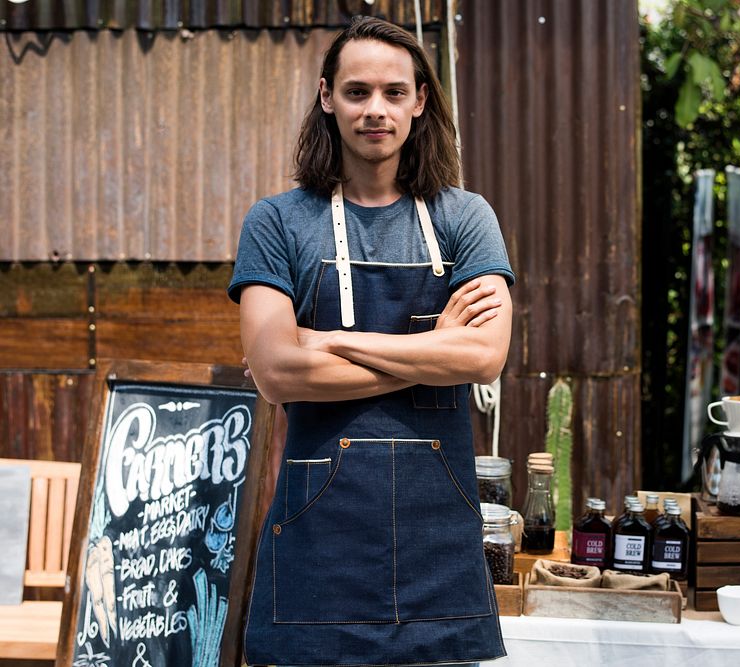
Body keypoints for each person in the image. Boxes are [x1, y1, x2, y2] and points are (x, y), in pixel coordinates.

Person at [227, 16, 513, 667]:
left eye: (392, 92)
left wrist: (324, 340)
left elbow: (483, 356)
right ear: (327, 97)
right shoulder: (277, 222)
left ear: (419, 101)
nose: (375, 110)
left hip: (439, 548)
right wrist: (433, 351)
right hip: (316, 552)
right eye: (357, 92)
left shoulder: (465, 218)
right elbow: (275, 371)